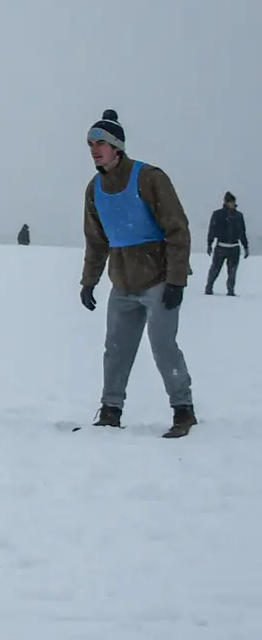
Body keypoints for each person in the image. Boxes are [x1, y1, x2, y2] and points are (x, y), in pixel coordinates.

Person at [79, 110, 194, 437]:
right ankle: (111, 410)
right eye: (90, 144)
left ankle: (183, 410)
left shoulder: (150, 178)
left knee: (162, 345)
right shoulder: (95, 188)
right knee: (116, 349)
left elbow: (177, 230)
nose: (94, 149)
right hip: (122, 282)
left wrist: (176, 279)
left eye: (100, 142)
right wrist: (89, 281)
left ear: (117, 146)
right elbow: (96, 240)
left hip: (158, 280)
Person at [204, 192, 247, 295]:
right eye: (230, 202)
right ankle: (209, 288)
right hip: (221, 247)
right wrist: (209, 244)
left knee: (232, 272)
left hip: (234, 248)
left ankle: (231, 291)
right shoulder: (218, 214)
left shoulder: (239, 216)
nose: (232, 204)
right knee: (215, 269)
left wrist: (245, 247)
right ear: (225, 202)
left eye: (233, 202)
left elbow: (242, 232)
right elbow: (212, 230)